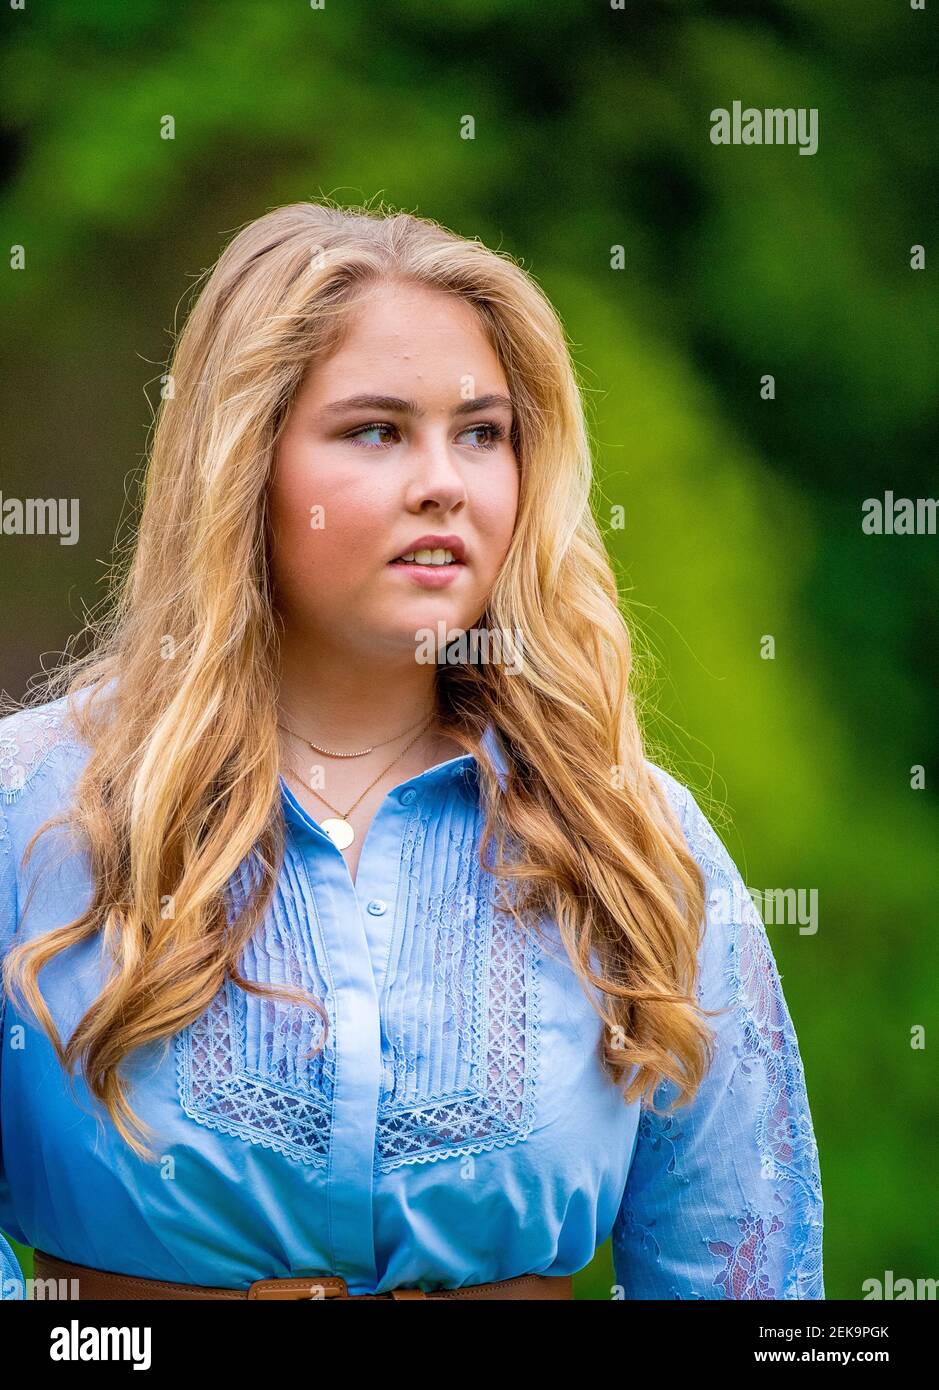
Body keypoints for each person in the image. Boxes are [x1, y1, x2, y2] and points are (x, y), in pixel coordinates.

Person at [0, 200, 823, 1300]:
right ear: (244, 463)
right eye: (377, 429)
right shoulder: (30, 813)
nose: (445, 479)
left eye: (482, 432)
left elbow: (745, 1277)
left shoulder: (636, 842)